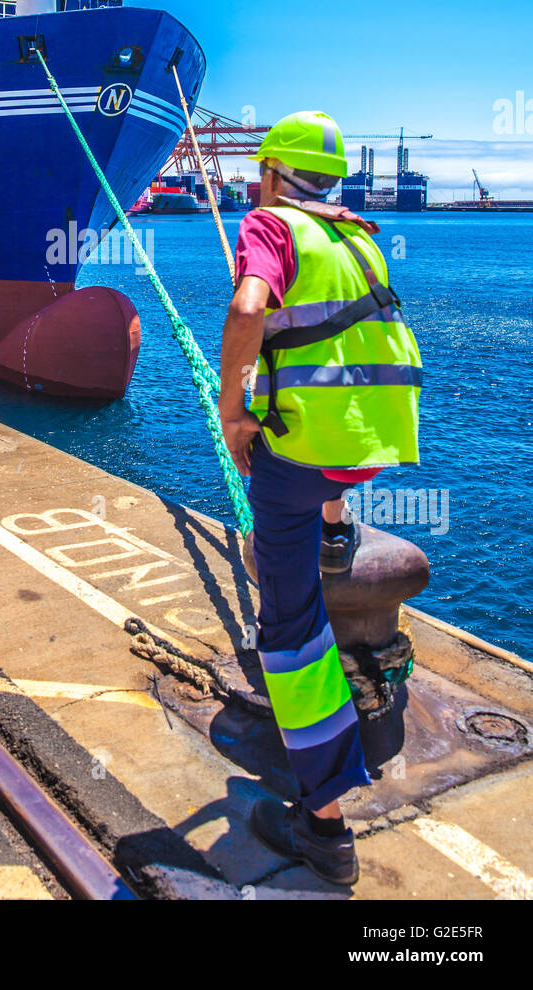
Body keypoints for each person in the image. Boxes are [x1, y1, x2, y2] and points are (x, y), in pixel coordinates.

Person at [218, 110, 422, 885]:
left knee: (290, 630)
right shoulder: (358, 236)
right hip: (364, 450)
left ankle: (324, 826)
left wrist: (236, 411)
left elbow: (247, 309)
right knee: (315, 515)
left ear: (272, 172)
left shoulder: (270, 225)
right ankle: (335, 532)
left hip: (299, 456)